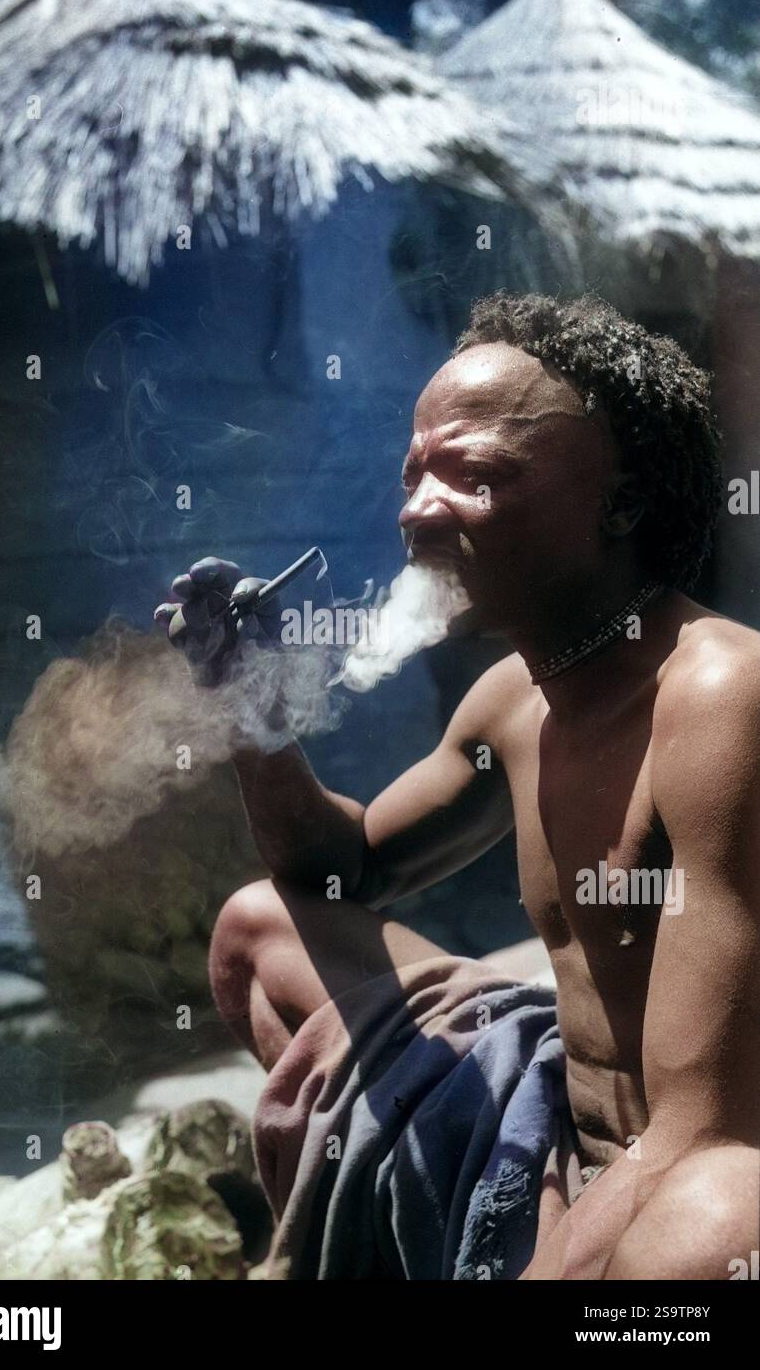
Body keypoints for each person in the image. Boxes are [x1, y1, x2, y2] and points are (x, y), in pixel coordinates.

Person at [155, 293, 760, 1280]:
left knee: (719, 1222)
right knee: (263, 928)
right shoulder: (515, 699)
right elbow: (343, 870)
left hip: (674, 1182)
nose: (415, 510)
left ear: (622, 503)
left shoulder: (722, 702)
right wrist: (248, 707)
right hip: (548, 1132)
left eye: (474, 476)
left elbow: (701, 1132)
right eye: (413, 473)